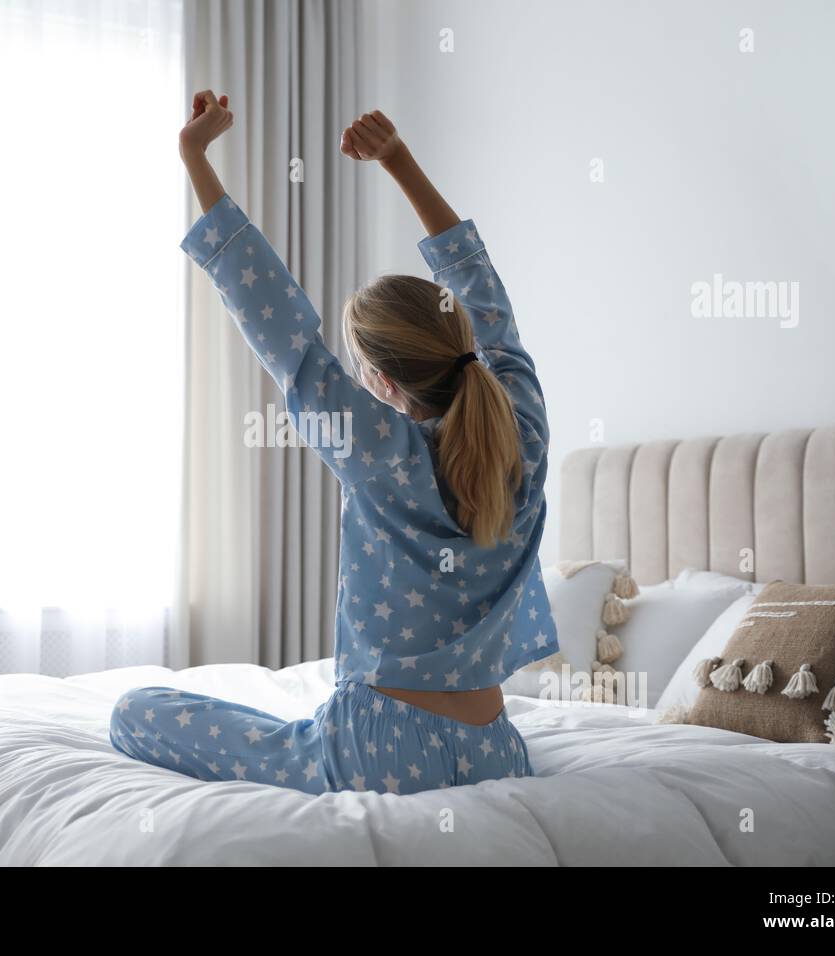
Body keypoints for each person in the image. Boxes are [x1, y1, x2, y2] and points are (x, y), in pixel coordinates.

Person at [108, 91, 559, 795]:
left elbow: (278, 326)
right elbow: (486, 300)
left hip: (380, 749)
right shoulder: (523, 433)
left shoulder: (379, 449)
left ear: (379, 382)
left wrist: (194, 157)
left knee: (137, 711)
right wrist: (399, 160)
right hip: (496, 750)